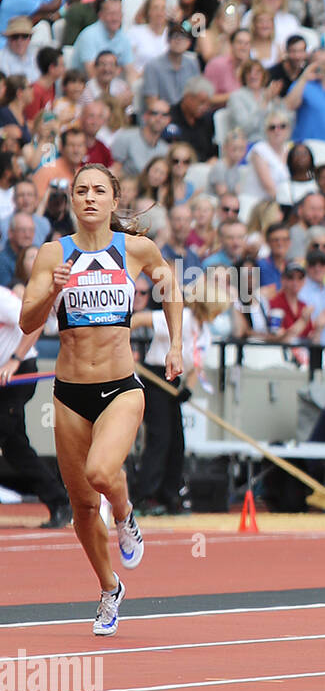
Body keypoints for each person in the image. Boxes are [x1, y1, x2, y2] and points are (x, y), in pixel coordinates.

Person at [19, 163, 183, 635]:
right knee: (84, 507)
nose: (89, 197)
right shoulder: (53, 254)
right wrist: (51, 292)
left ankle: (127, 515)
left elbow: (169, 285)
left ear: (114, 200)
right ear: (72, 201)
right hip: (70, 394)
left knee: (100, 473)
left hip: (121, 386)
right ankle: (110, 589)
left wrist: (175, 344)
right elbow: (29, 323)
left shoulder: (135, 248)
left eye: (98, 191)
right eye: (80, 191)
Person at [130, 279, 223, 515]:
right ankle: (145, 496)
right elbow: (140, 319)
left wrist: (188, 389)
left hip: (173, 381)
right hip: (154, 378)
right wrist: (120, 343)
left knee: (177, 442)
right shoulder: (181, 319)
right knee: (159, 438)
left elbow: (196, 366)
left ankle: (168, 495)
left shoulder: (204, 333)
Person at [0, 281, 71, 528]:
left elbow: (37, 321)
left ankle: (60, 501)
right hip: (2, 379)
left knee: (8, 436)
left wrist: (14, 359)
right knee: (15, 447)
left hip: (18, 375)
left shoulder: (3, 300)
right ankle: (59, 501)